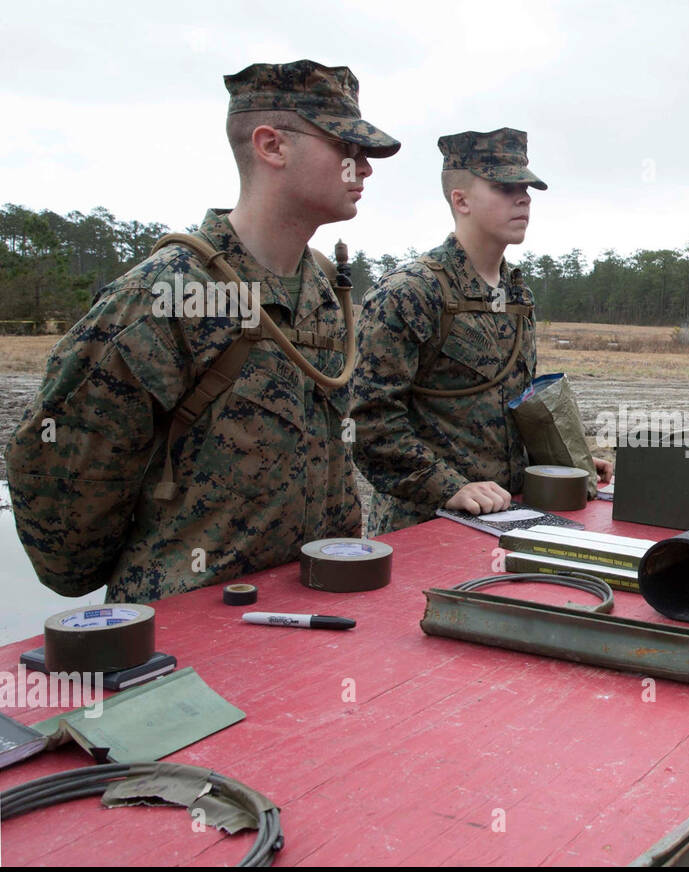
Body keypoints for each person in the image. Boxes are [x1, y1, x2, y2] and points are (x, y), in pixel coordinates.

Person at [4, 60, 400, 604]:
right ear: (271, 145)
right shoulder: (166, 296)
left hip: (312, 611)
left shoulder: (327, 291)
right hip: (186, 628)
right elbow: (59, 478)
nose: (365, 170)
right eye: (346, 150)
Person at [351, 127, 611, 533]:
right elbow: (370, 424)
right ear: (461, 199)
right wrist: (450, 487)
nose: (523, 198)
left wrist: (560, 462)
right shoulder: (410, 292)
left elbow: (516, 407)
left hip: (510, 517)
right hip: (425, 525)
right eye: (505, 187)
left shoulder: (516, 293)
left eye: (525, 187)